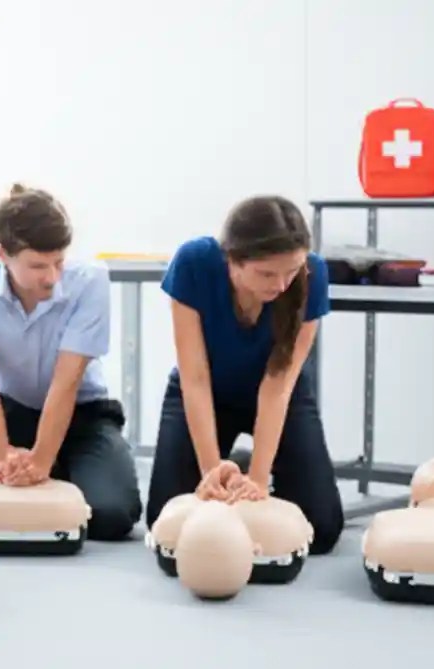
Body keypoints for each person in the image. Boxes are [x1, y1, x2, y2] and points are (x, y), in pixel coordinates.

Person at [0, 183, 142, 541]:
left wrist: (42, 460)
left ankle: (61, 465)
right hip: (9, 409)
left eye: (59, 262)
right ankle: (38, 463)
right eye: (37, 266)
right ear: (3, 254)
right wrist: (1, 458)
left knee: (112, 514)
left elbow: (66, 383)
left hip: (82, 414)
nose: (51, 277)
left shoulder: (90, 281)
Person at [145, 194, 344, 555]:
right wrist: (213, 473)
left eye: (291, 271)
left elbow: (277, 387)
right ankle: (229, 463)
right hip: (207, 390)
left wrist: (258, 479)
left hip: (279, 395)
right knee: (166, 520)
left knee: (323, 528)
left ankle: (246, 464)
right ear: (232, 261)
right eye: (267, 273)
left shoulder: (312, 275)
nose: (281, 285)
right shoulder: (194, 262)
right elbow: (195, 379)